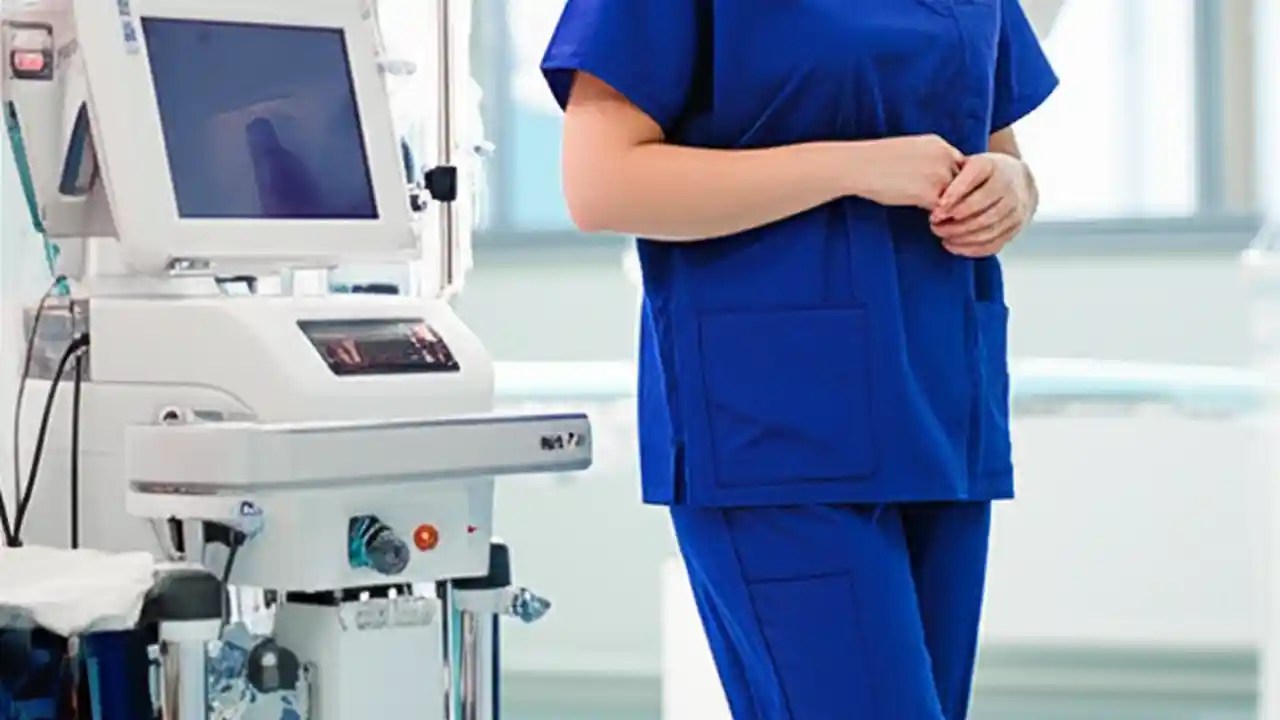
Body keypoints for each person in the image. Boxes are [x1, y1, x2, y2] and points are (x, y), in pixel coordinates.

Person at [541, 1, 1058, 717]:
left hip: (940, 408)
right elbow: (601, 183)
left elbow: (996, 143)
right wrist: (853, 166)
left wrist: (1013, 188)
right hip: (772, 422)